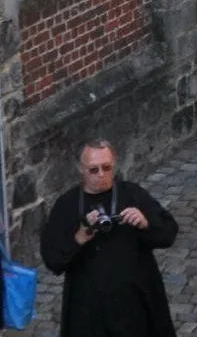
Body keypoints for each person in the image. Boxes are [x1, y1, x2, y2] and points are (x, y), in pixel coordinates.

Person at [40, 140, 180, 337]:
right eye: (93, 170)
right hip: (88, 311)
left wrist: (145, 223)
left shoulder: (132, 194)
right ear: (81, 170)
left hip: (136, 305)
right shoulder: (67, 205)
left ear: (114, 165)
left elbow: (169, 233)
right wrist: (80, 237)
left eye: (106, 168)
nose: (101, 174)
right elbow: (52, 259)